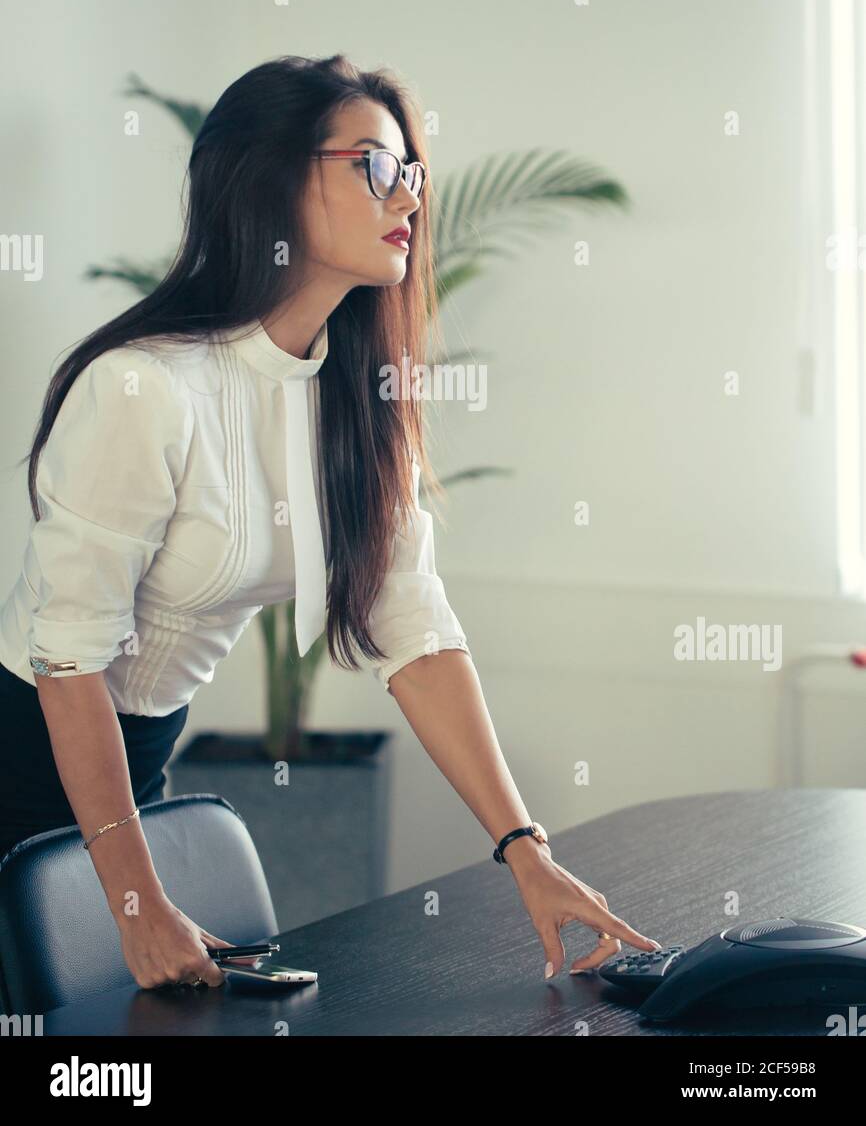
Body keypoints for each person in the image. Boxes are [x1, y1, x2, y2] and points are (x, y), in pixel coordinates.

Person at [0, 53, 661, 991]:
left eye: (413, 173)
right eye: (375, 167)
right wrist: (137, 904)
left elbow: (417, 635)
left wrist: (528, 852)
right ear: (268, 179)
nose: (410, 199)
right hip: (27, 753)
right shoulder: (143, 388)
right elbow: (66, 666)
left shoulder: (353, 398)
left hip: (128, 771)